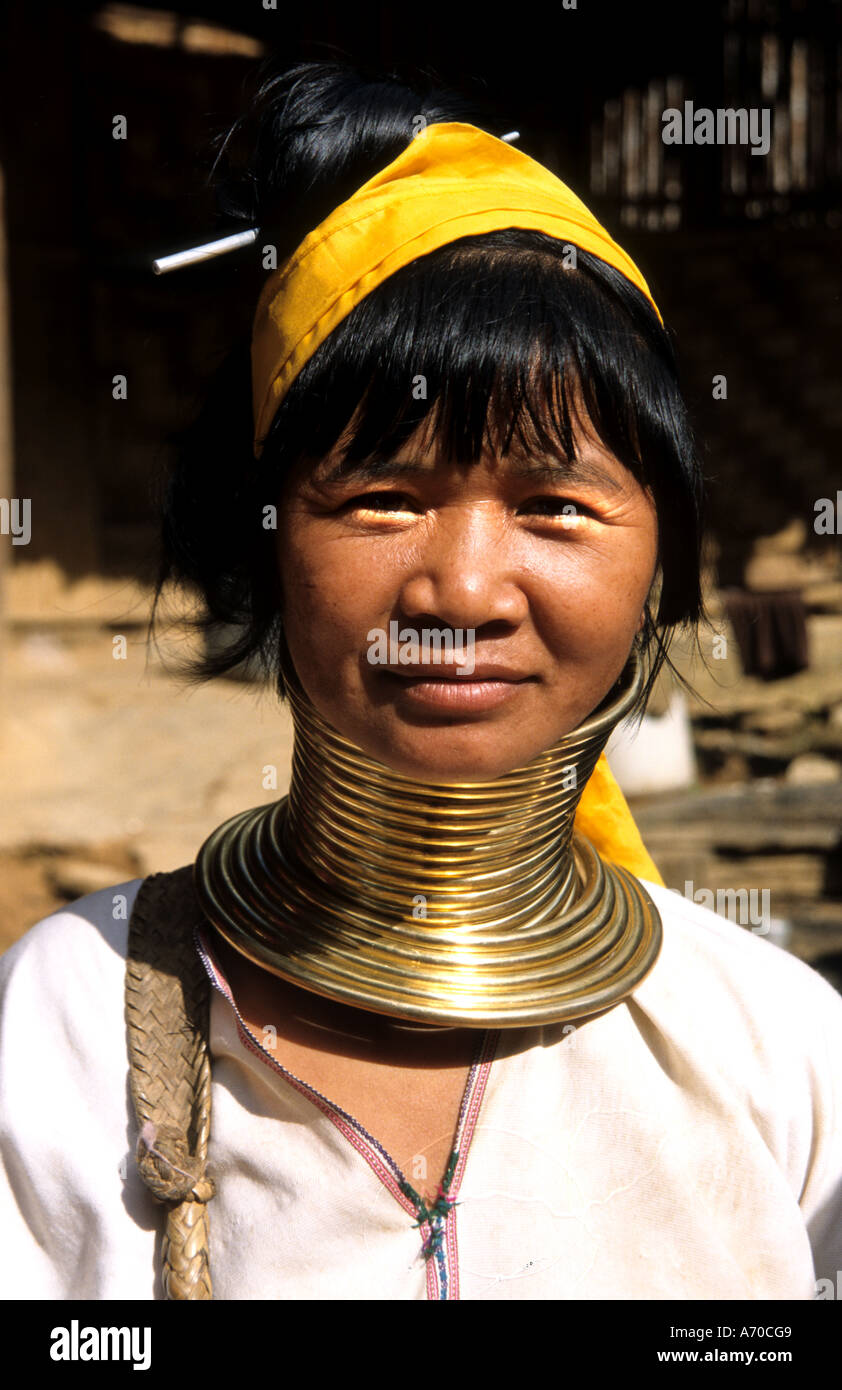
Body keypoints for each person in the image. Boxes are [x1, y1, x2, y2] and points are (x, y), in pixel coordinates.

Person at [1, 59, 841, 1302]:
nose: (461, 588)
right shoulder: (59, 1026)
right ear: (266, 539)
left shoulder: (776, 1050)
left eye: (555, 507)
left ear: (662, 558)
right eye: (381, 500)